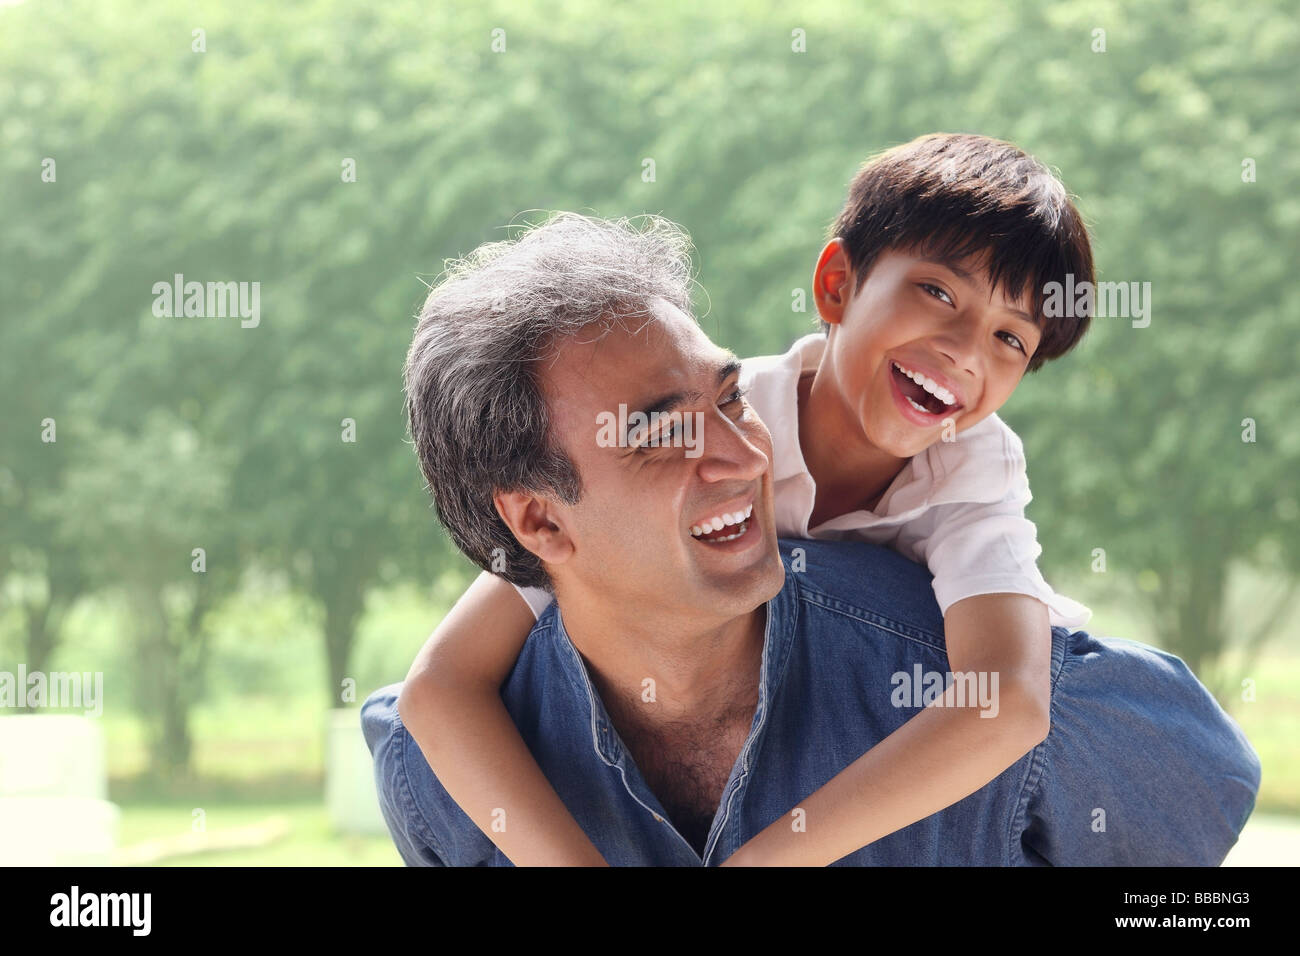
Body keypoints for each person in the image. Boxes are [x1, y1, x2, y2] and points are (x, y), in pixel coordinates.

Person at [362, 205, 1259, 866]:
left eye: (726, 401)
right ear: (540, 520)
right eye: (664, 432)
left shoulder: (1030, 685)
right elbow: (438, 686)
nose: (740, 456)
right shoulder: (453, 777)